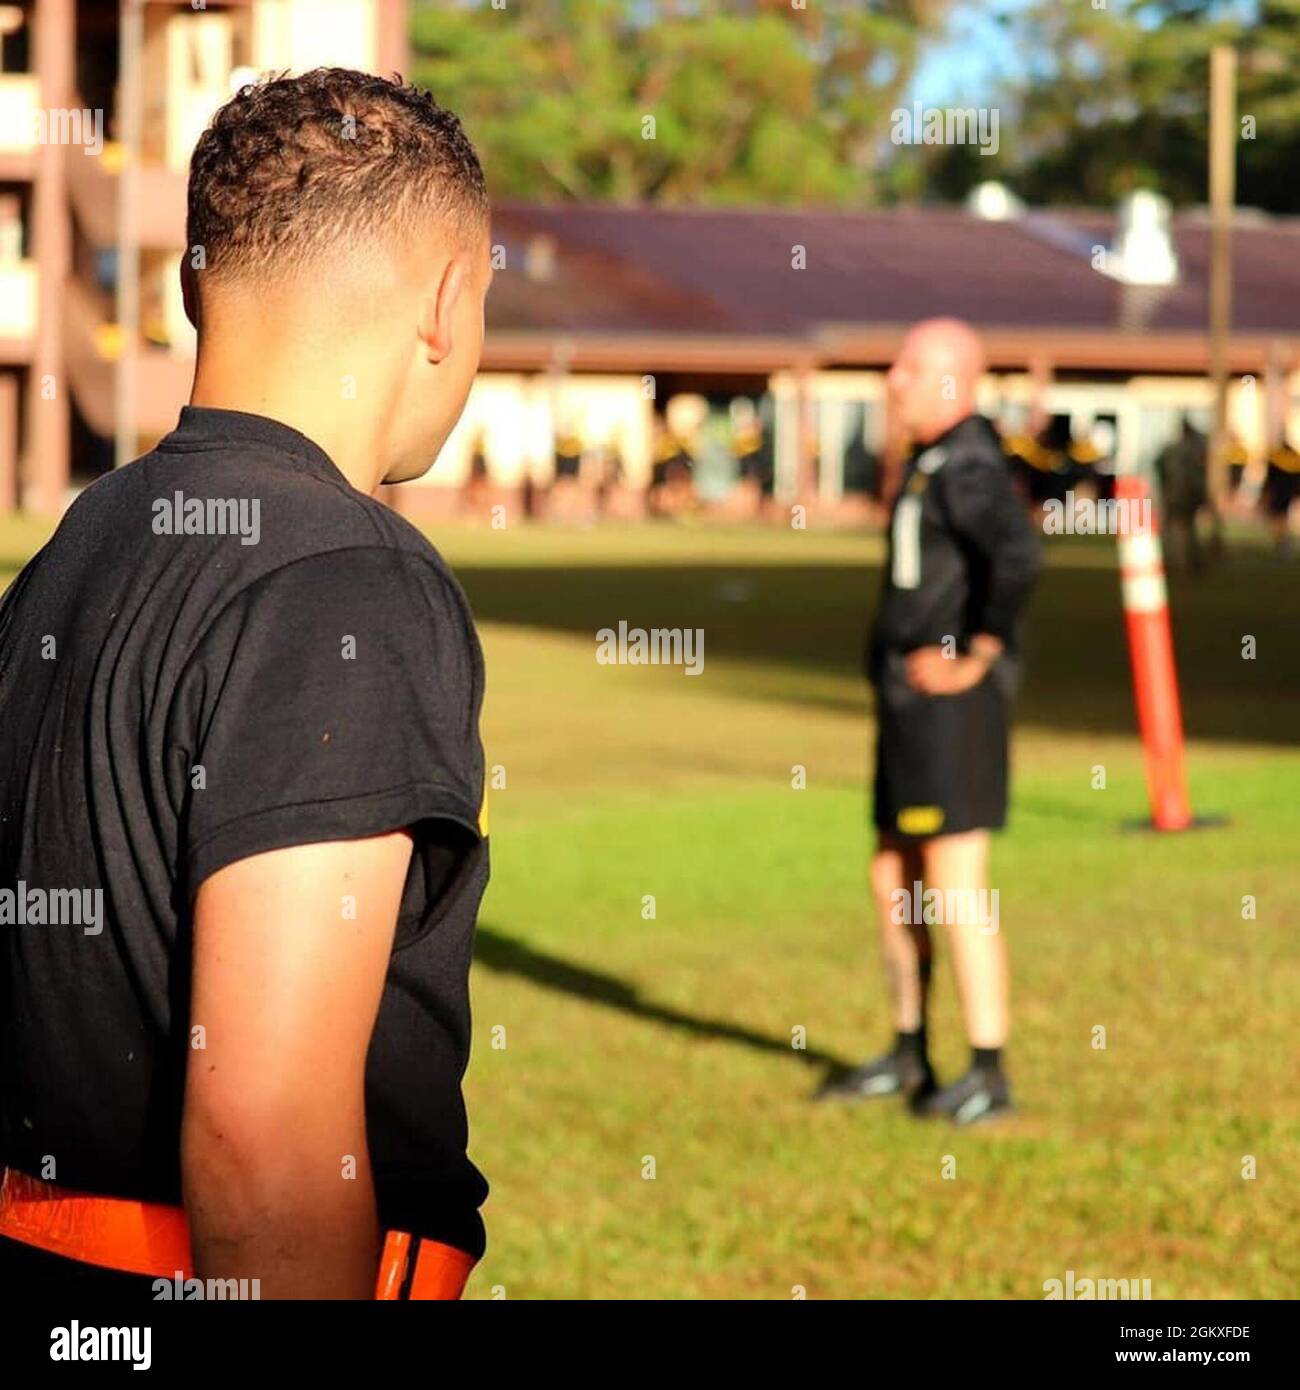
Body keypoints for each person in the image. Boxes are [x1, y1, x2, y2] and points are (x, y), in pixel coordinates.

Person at [0, 69, 493, 1298]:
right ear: (445, 302)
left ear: (186, 285)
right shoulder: (351, 577)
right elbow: (265, 1142)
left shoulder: (77, 543)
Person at [820, 318, 1041, 1124]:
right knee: (895, 877)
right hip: (907, 709)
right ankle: (910, 1050)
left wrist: (977, 652)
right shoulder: (931, 461)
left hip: (953, 714)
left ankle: (987, 1069)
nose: (893, 382)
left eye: (909, 368)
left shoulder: (972, 464)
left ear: (953, 379)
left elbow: (1019, 556)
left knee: (954, 883)